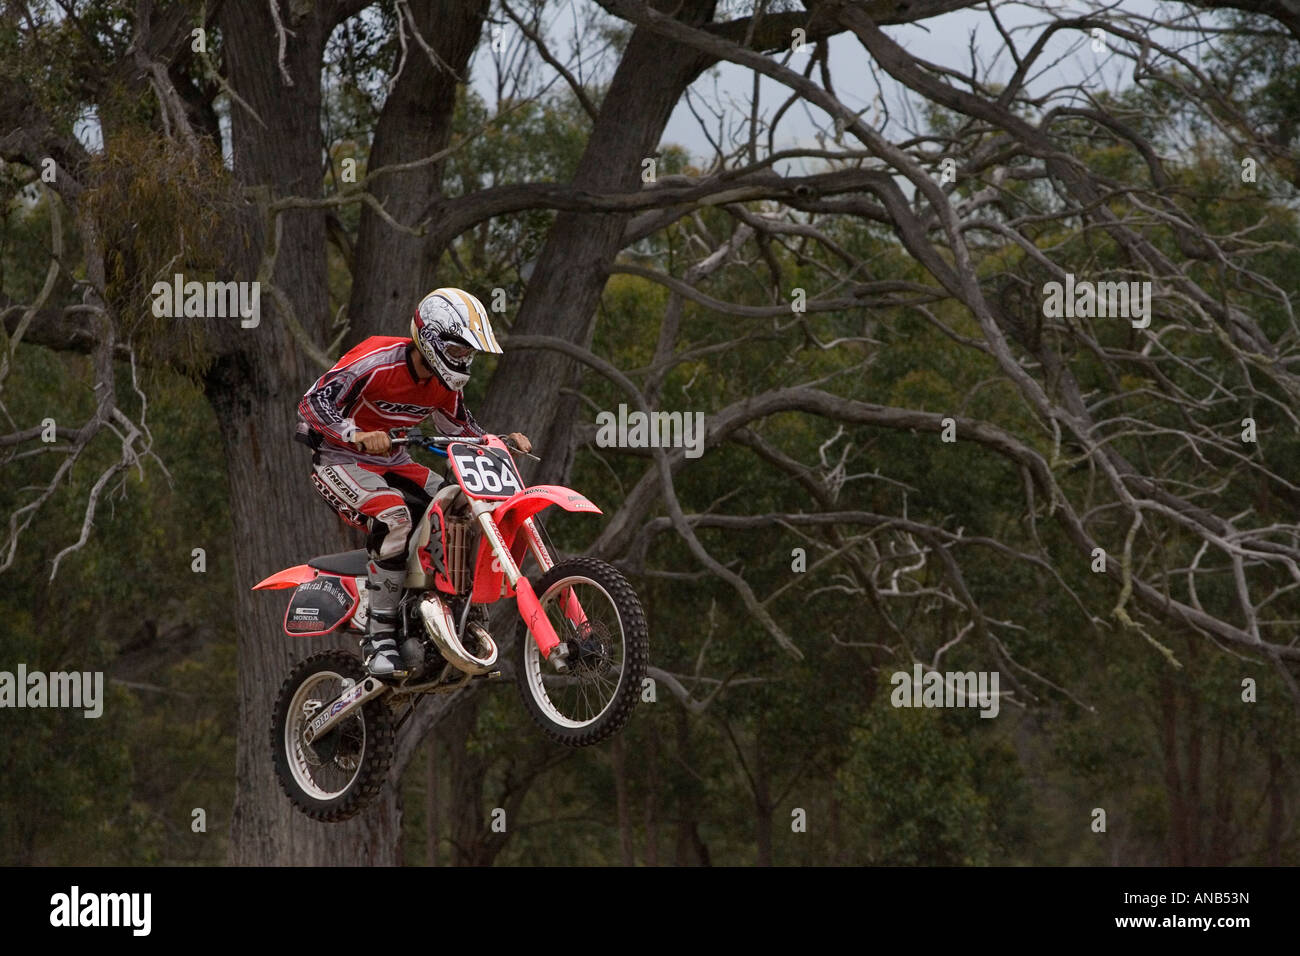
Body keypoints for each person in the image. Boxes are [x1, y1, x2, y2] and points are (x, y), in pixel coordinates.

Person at [296, 287, 531, 677]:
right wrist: (354, 433)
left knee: (460, 504)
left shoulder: (444, 384)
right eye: (457, 351)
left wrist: (498, 441)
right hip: (339, 459)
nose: (463, 361)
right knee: (395, 516)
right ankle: (379, 639)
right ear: (431, 338)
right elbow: (313, 402)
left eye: (467, 353)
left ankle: (453, 613)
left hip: (394, 460)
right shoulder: (376, 360)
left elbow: (460, 428)